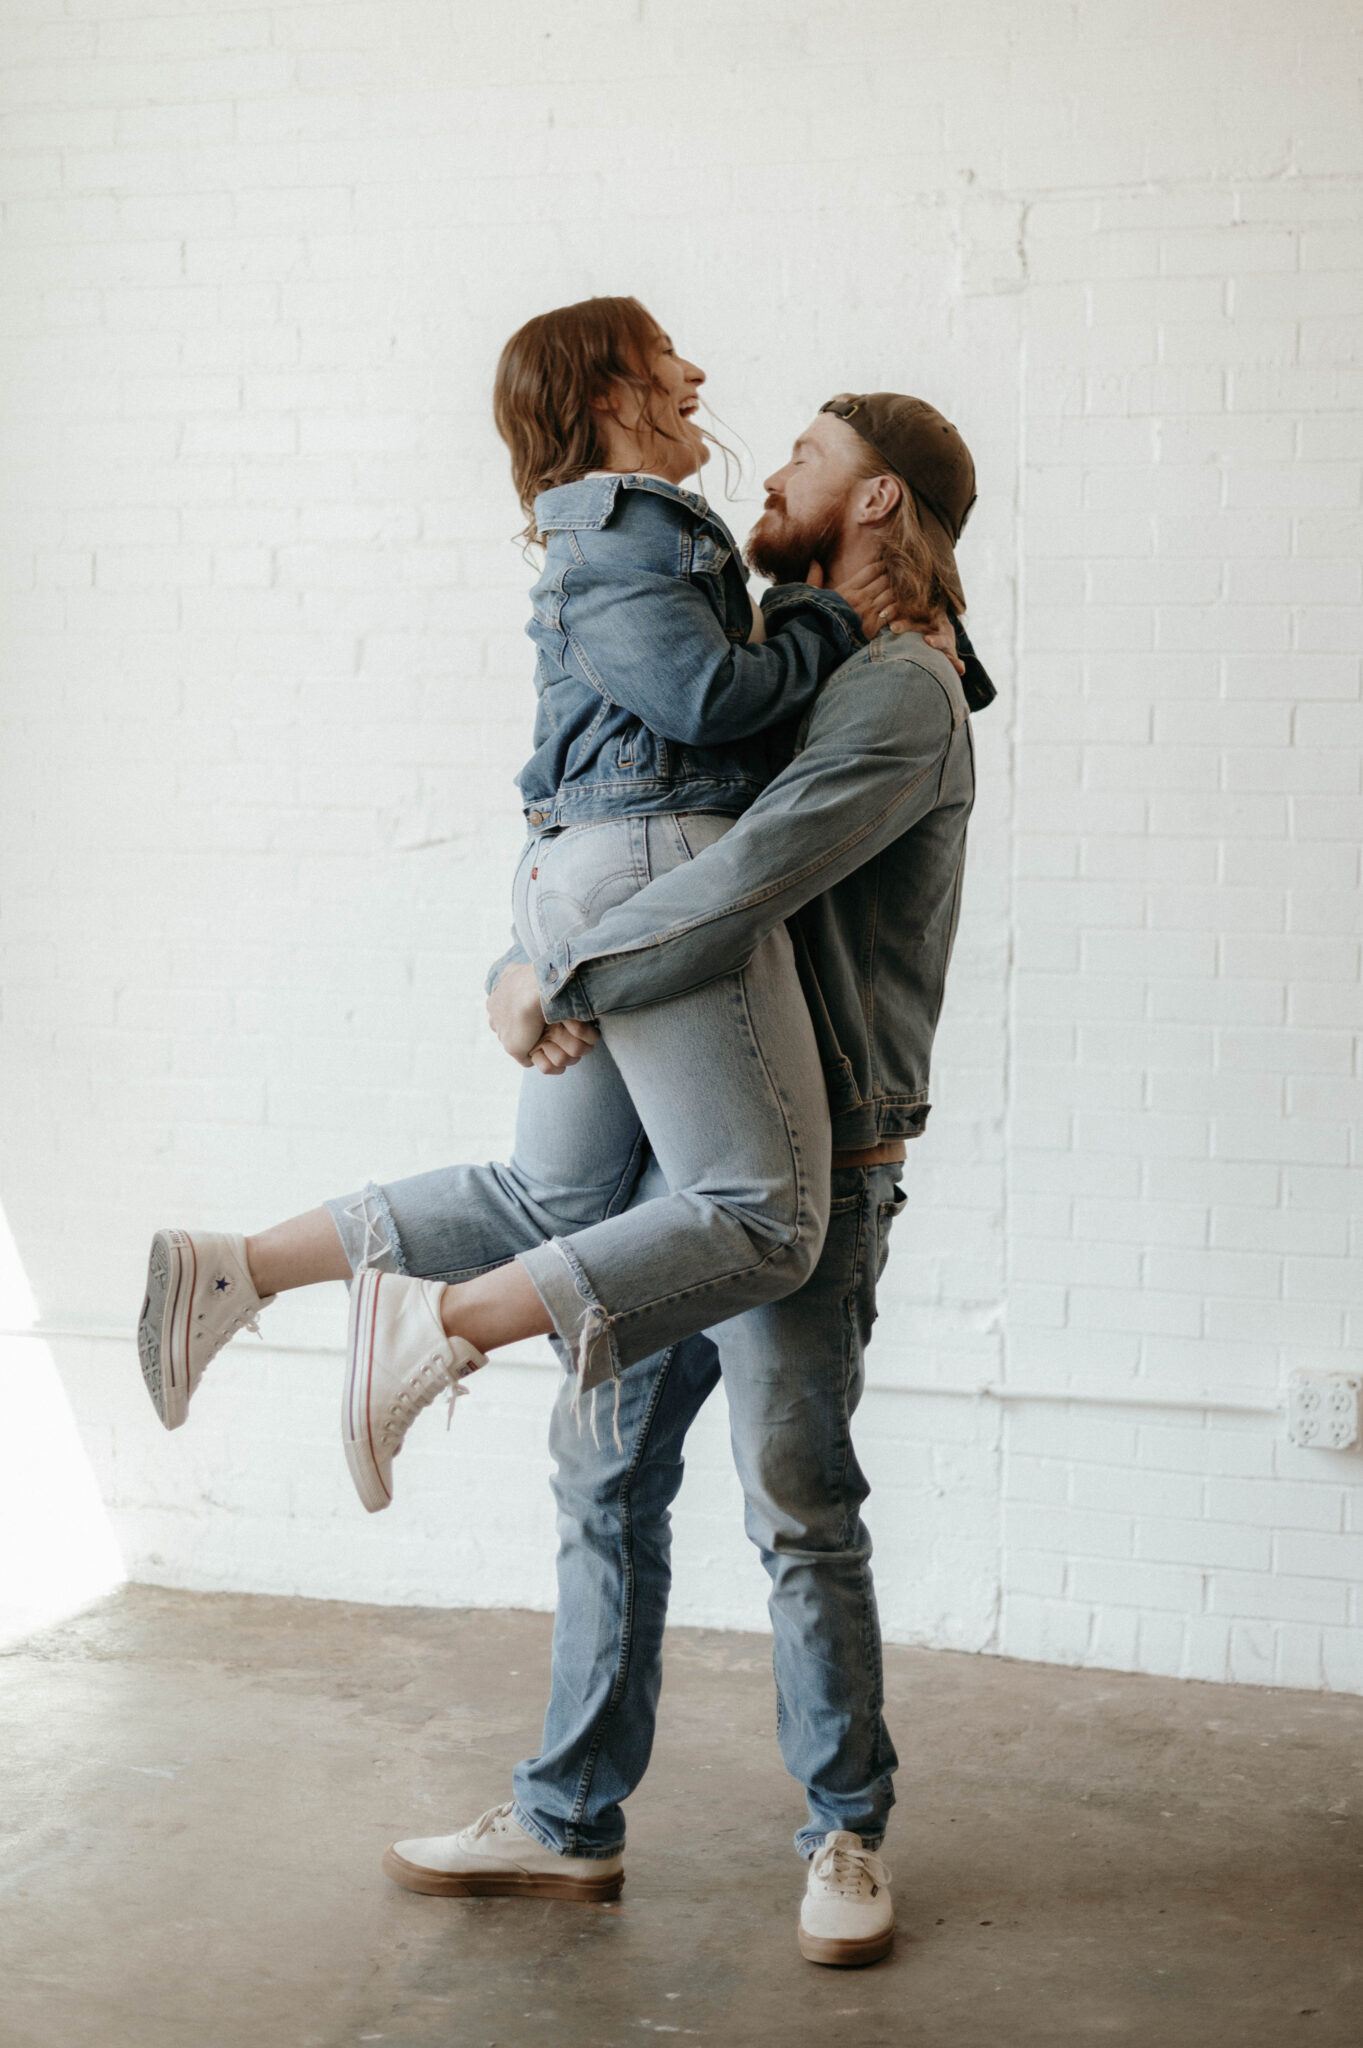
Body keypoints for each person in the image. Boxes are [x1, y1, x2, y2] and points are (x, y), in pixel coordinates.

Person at [379, 394, 990, 1971]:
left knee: (794, 1508)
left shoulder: (899, 697)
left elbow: (742, 875)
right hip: (676, 1158)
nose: (767, 468)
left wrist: (551, 968)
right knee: (601, 1487)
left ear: (875, 506)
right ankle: (570, 1820)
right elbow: (638, 810)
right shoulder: (781, 662)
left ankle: (843, 1827)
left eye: (805, 454)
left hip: (810, 1175)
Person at [137, 297, 916, 1516]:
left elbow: (583, 761)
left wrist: (538, 945)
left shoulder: (605, 544)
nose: (695, 373)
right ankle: (436, 1321)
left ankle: (234, 1269)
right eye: (667, 358)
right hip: (651, 862)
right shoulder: (627, 532)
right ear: (610, 390)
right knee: (766, 1219)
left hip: (587, 863)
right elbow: (709, 699)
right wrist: (819, 620)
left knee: (543, 1197)